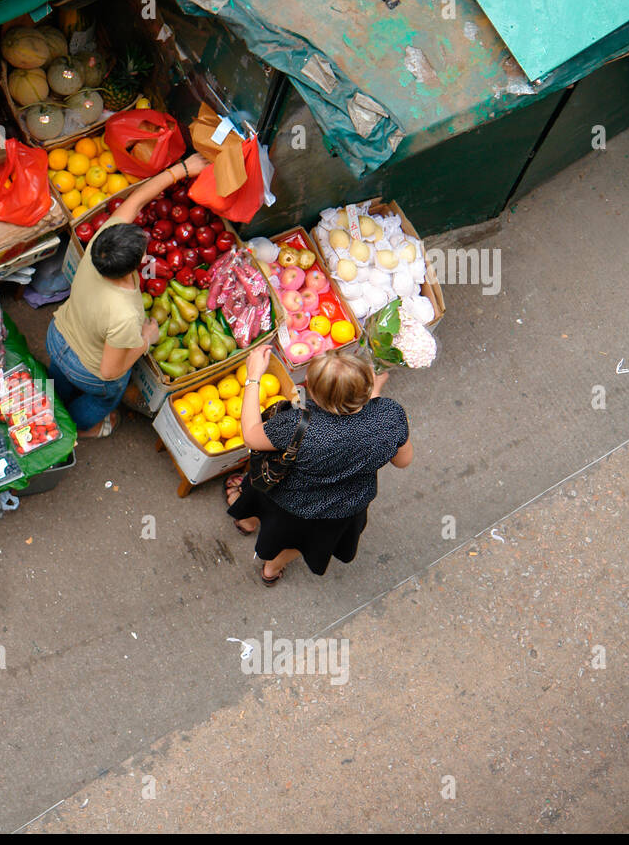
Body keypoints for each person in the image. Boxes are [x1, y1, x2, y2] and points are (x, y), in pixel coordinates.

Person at [48, 152, 209, 437]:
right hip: (88, 368)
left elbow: (136, 200)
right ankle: (77, 429)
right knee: (111, 390)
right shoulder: (124, 313)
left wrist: (181, 169)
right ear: (135, 265)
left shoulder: (102, 242)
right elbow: (110, 371)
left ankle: (52, 408)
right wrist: (147, 339)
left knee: (59, 380)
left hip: (58, 335)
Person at [225, 347, 413, 585]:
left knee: (263, 508)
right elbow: (403, 460)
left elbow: (251, 436)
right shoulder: (389, 416)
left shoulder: (299, 425)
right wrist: (374, 397)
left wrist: (253, 378)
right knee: (303, 541)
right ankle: (271, 570)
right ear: (366, 387)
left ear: (311, 390)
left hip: (286, 497)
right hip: (339, 510)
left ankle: (246, 523)